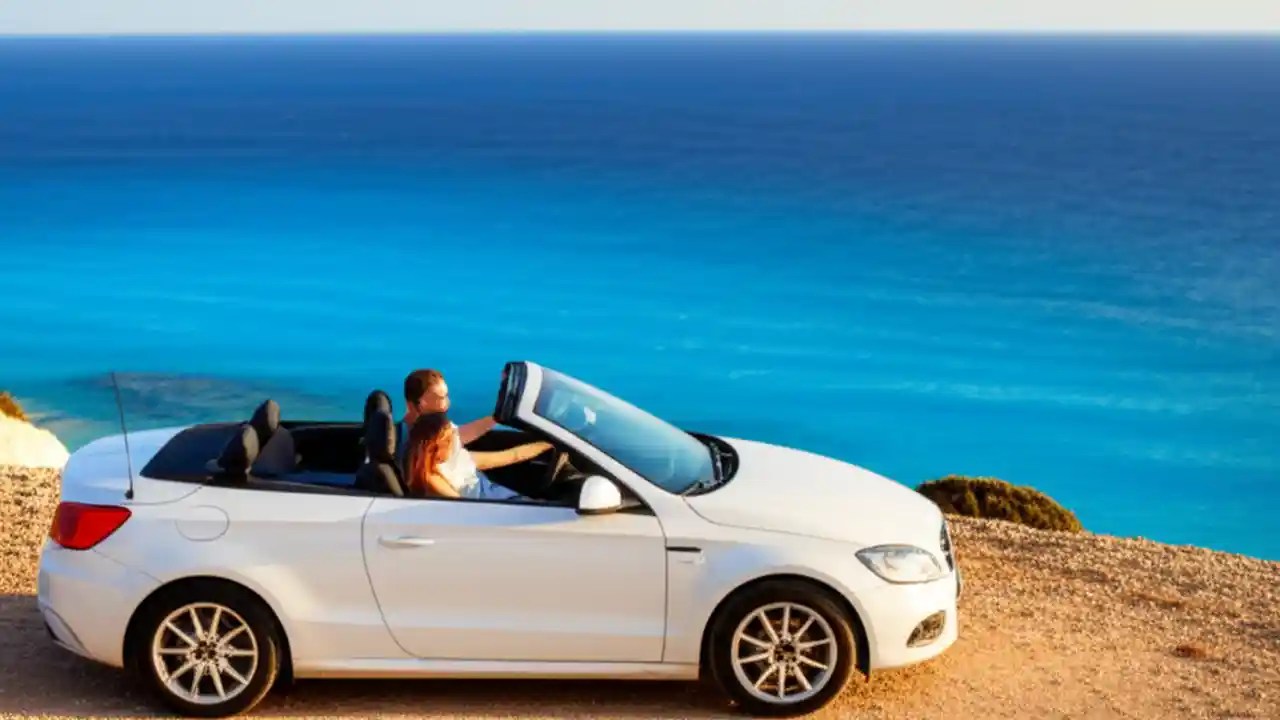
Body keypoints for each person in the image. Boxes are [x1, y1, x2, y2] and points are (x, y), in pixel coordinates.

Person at [404, 411, 553, 500]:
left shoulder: (453, 459)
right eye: (449, 439)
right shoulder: (433, 480)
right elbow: (467, 509)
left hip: (507, 499)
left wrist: (549, 444)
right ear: (433, 448)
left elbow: (513, 456)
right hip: (499, 511)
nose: (455, 440)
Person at [395, 368, 497, 471]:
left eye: (445, 396)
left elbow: (457, 435)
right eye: (439, 398)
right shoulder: (416, 444)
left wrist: (496, 418)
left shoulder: (430, 426)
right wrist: (513, 455)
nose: (446, 404)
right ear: (418, 404)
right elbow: (461, 457)